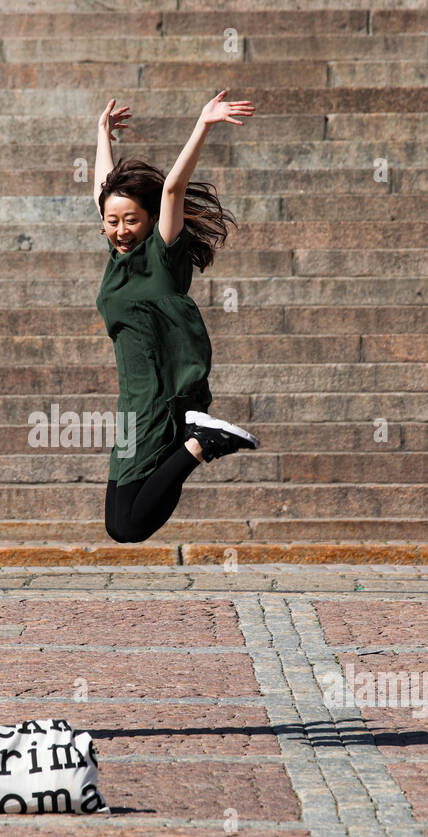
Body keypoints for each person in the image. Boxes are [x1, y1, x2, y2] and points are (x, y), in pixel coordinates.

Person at [94, 91, 260, 543]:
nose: (120, 230)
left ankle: (200, 442)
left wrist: (203, 124)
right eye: (112, 222)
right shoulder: (116, 256)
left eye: (131, 220)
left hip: (159, 396)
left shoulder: (162, 255)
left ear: (150, 220)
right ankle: (198, 442)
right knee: (118, 520)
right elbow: (105, 189)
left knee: (128, 525)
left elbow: (172, 188)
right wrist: (100, 134)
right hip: (132, 401)